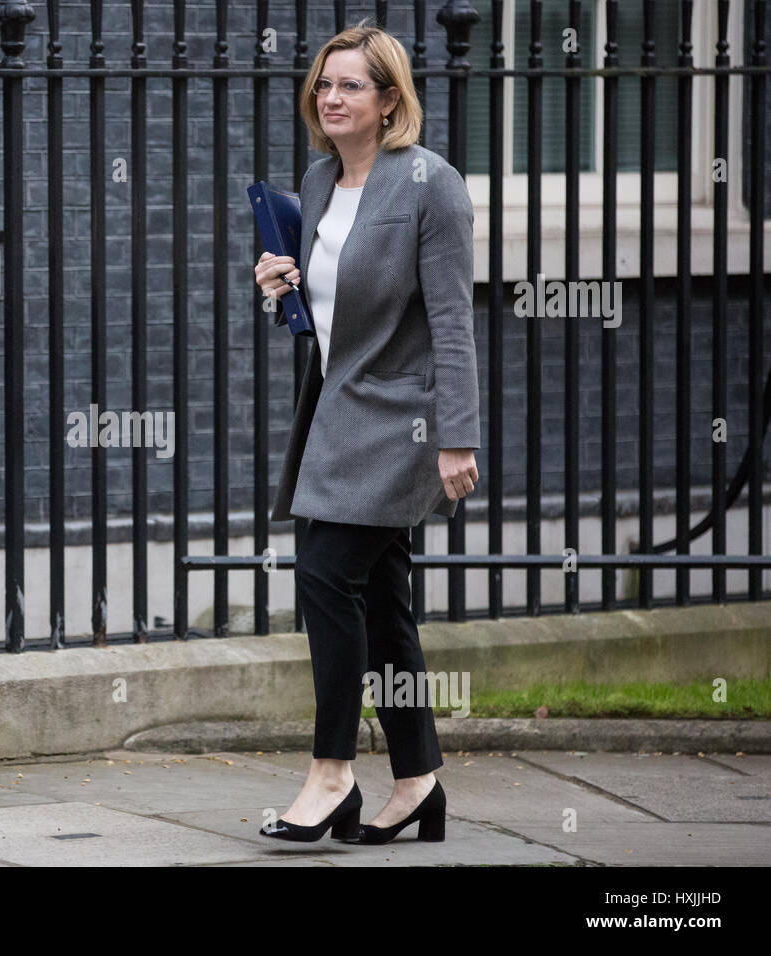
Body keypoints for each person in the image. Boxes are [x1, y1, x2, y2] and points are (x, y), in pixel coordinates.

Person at [253, 19, 480, 845]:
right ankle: (418, 780)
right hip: (336, 410)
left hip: (404, 422)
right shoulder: (317, 184)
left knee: (324, 577)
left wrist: (458, 435)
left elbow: (452, 321)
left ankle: (332, 773)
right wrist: (281, 288)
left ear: (390, 100)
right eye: (324, 83)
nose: (331, 96)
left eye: (351, 84)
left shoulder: (431, 185)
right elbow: (326, 313)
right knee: (384, 604)